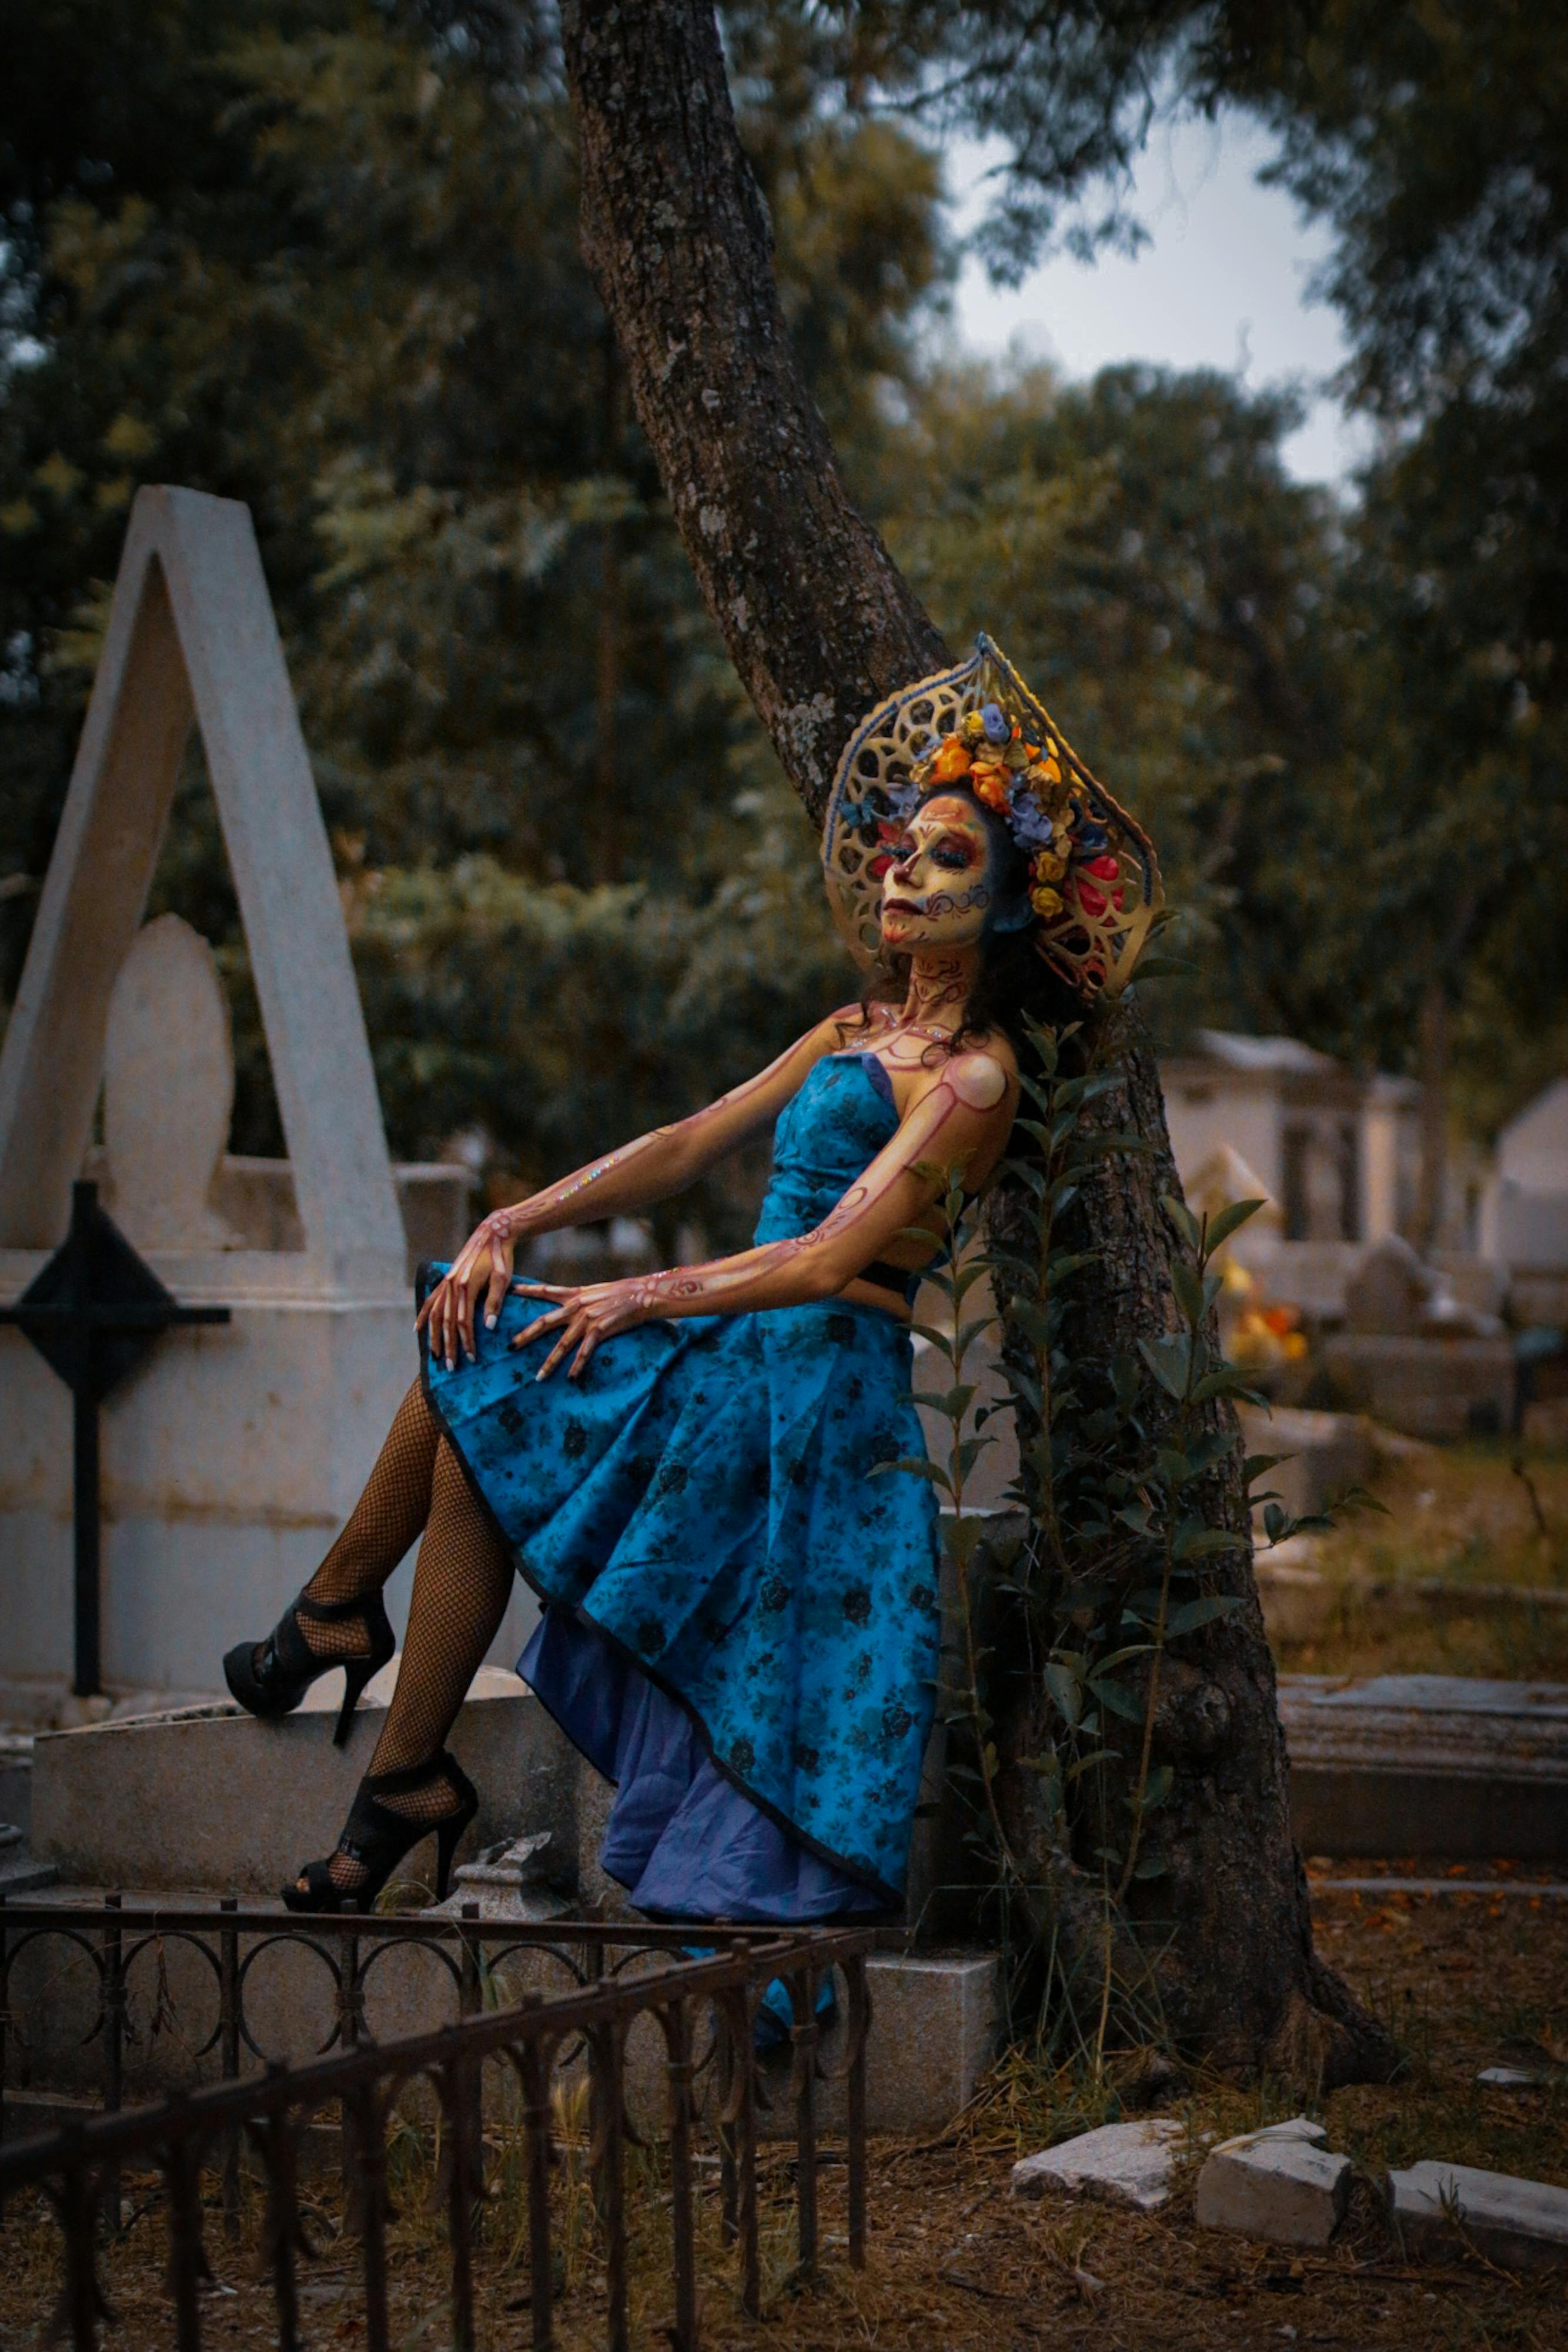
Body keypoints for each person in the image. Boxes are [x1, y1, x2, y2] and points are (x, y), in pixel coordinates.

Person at [223, 637, 1159, 1921]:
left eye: (949, 856)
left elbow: (829, 1255)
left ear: (1006, 909)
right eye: (903, 844)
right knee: (477, 1353)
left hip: (818, 1399)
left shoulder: (971, 1079)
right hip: (730, 1360)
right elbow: (683, 1142)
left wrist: (627, 1296)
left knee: (483, 1384)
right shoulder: (852, 1030)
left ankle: (349, 1647)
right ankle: (385, 1743)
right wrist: (516, 1211)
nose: (905, 867)